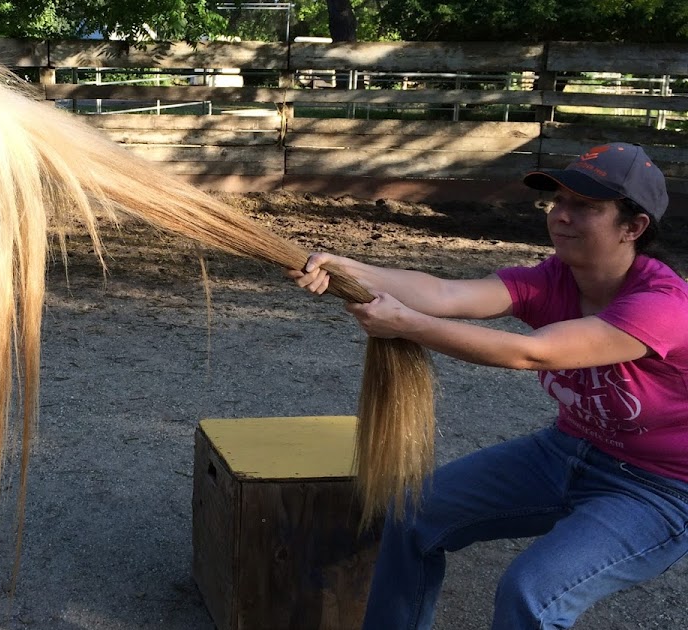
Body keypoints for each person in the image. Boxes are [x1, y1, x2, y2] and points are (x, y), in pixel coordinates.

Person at [287, 142, 688, 629]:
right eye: (557, 201)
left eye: (584, 207)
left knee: (531, 592)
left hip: (656, 489)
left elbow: (532, 352)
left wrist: (407, 324)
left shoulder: (664, 304)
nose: (560, 216)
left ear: (633, 227)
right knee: (413, 515)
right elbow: (446, 293)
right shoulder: (554, 278)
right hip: (566, 451)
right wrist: (346, 269)